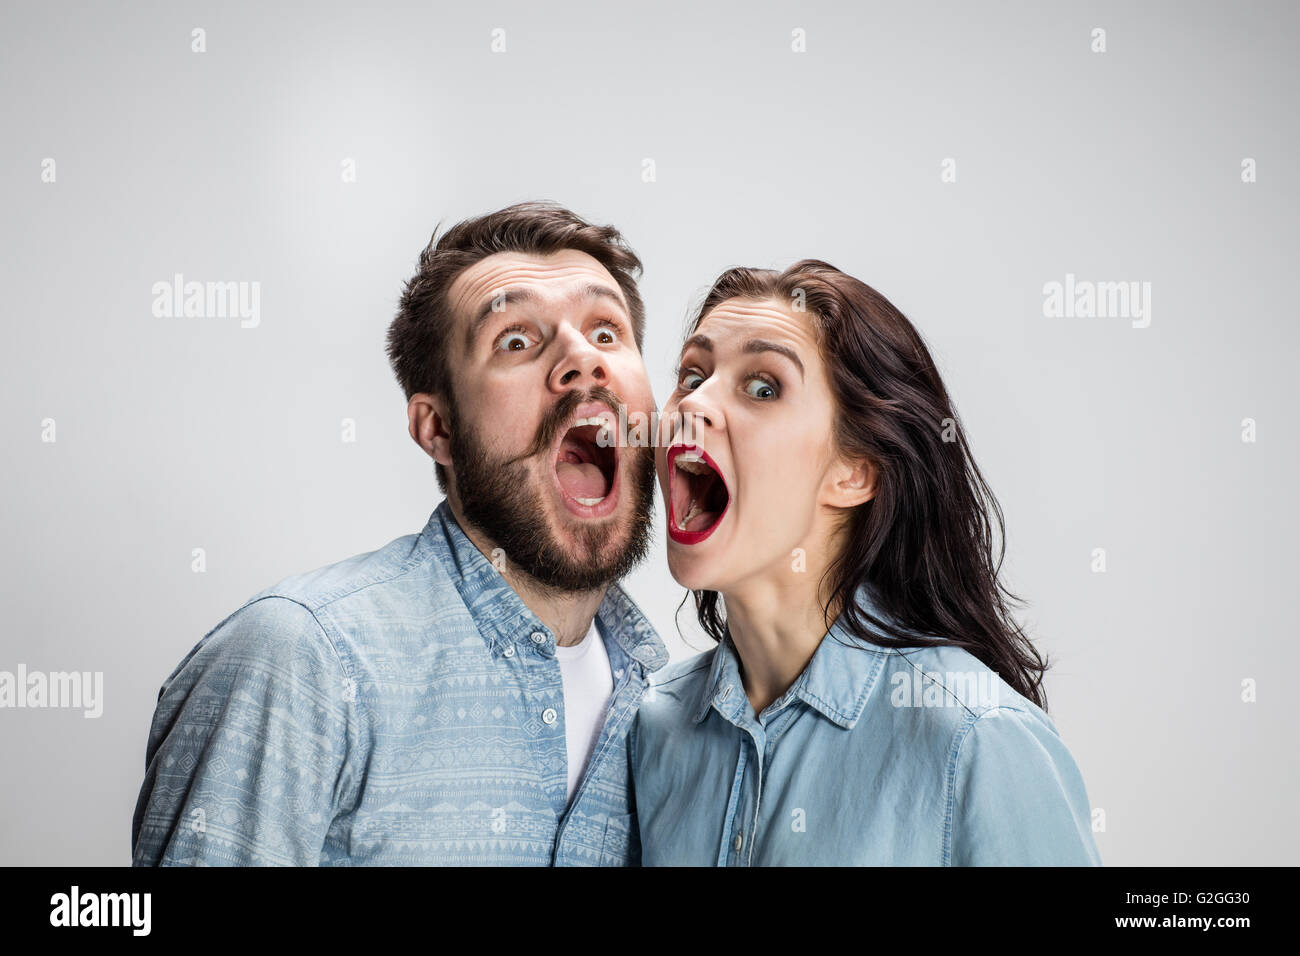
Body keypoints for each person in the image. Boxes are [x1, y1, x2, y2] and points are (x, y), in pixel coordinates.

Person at [132, 201, 667, 865]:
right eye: (516, 341)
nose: (582, 360)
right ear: (436, 428)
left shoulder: (666, 705)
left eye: (608, 333)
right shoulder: (303, 661)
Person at [629, 260, 1102, 865]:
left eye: (763, 387)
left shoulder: (976, 739)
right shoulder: (653, 729)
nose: (694, 405)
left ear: (855, 472)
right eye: (692, 376)